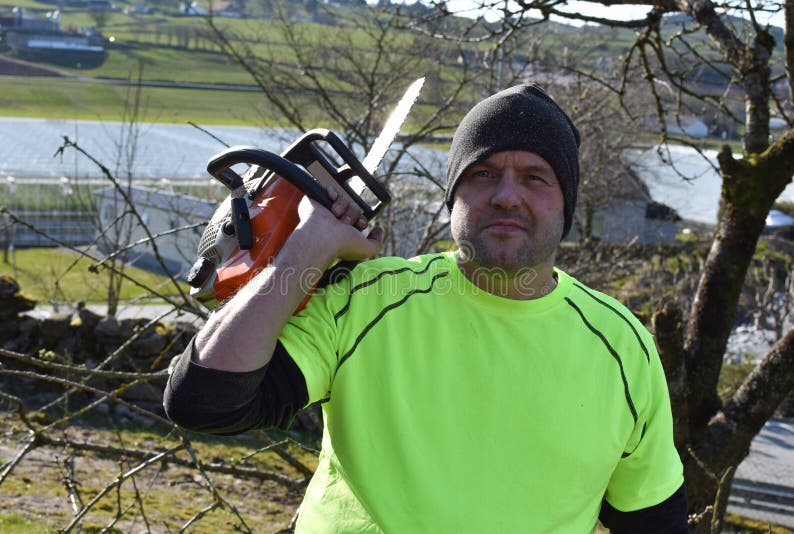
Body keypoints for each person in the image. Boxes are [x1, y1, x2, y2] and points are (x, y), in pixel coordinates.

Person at [164, 84, 689, 533]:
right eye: (482, 173)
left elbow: (653, 522)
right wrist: (306, 249)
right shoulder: (368, 299)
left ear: (566, 202)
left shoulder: (622, 346)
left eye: (535, 177)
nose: (507, 195)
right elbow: (203, 400)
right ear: (453, 194)